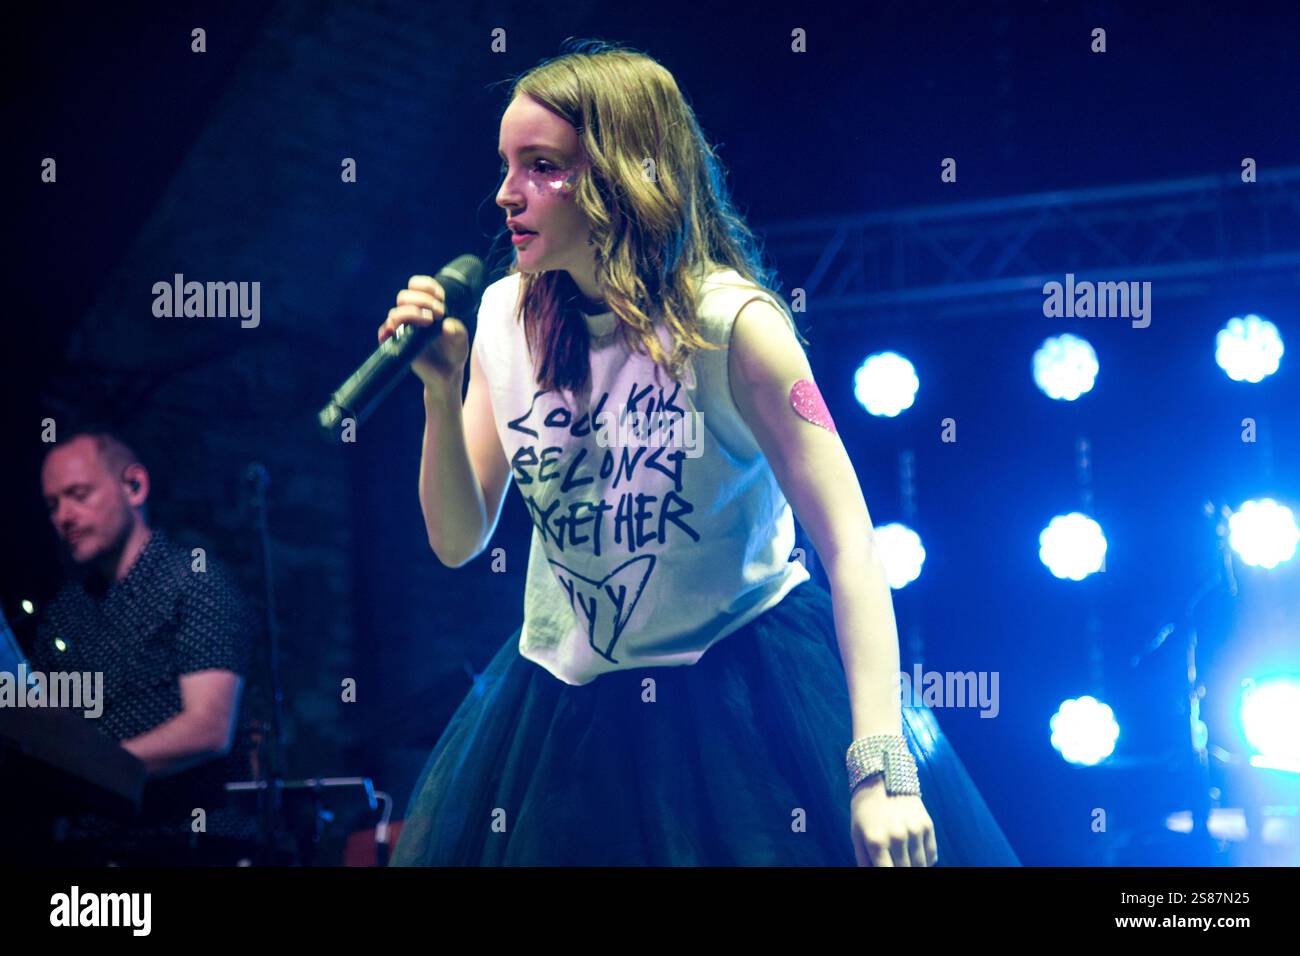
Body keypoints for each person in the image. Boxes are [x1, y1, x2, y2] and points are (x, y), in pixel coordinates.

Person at [384, 40, 1019, 866]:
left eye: (541, 166)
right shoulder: (506, 318)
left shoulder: (733, 327)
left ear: (624, 174)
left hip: (736, 692)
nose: (507, 193)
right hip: (560, 708)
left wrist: (882, 773)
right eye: (506, 164)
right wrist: (440, 390)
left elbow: (852, 547)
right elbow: (457, 540)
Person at [31, 430, 259, 865]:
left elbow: (209, 727)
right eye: (52, 505)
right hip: (87, 850)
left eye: (78, 495)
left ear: (134, 485)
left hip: (187, 846)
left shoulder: (195, 582)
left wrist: (92, 770)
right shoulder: (64, 612)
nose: (64, 516)